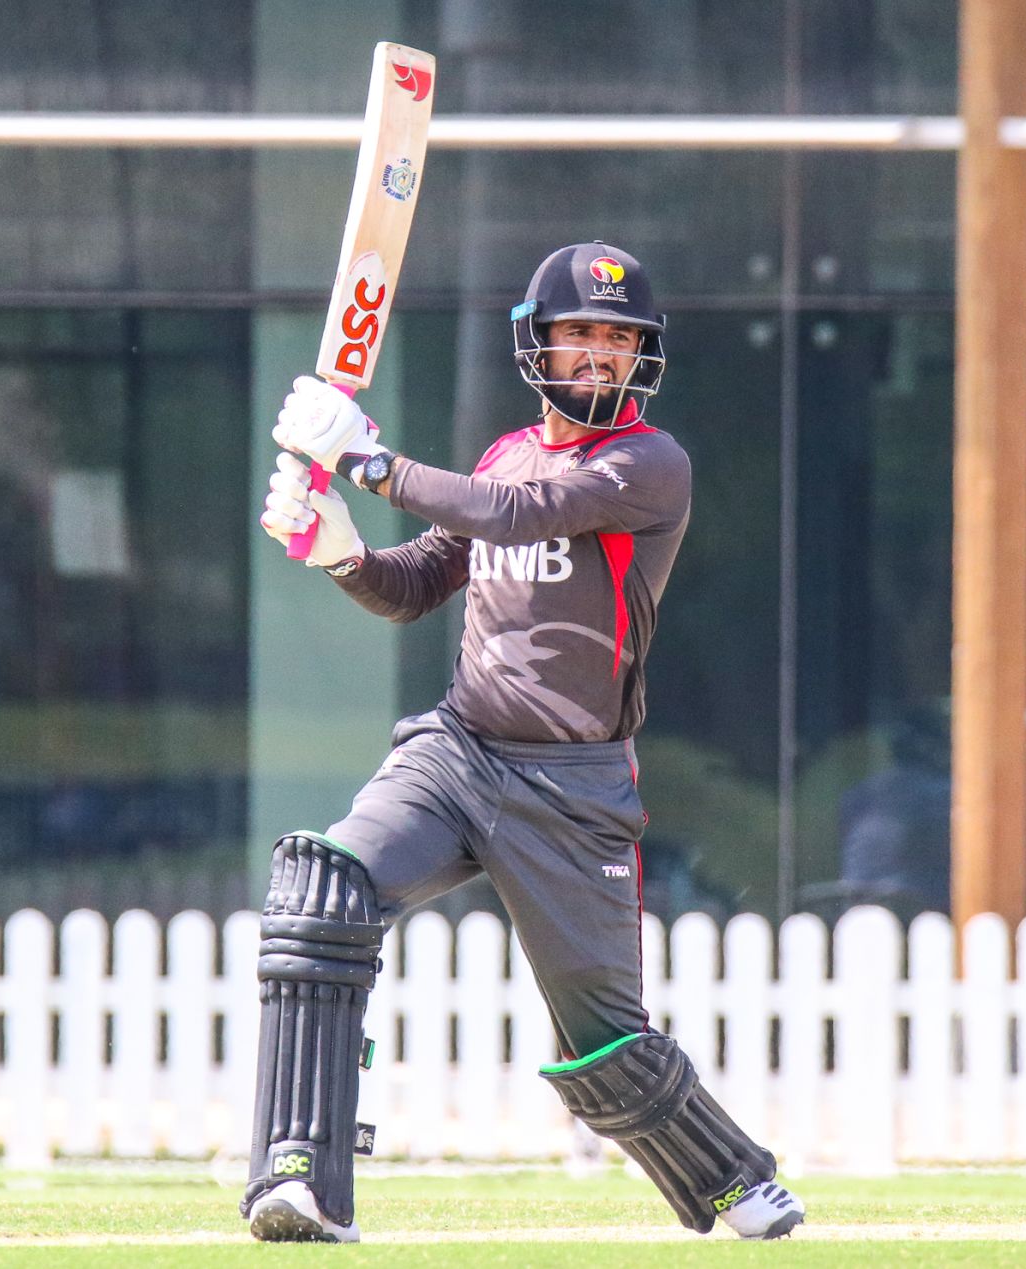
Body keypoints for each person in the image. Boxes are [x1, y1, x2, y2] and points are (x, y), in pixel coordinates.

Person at [242, 243, 805, 1243]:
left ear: (642, 355)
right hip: (457, 752)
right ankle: (300, 1178)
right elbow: (417, 584)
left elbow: (516, 514)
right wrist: (343, 552)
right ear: (537, 343)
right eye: (579, 332)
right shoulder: (505, 452)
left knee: (604, 1050)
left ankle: (736, 1179)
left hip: (574, 784)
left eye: (619, 338)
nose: (599, 354)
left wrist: (366, 459)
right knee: (321, 894)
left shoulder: (649, 464)